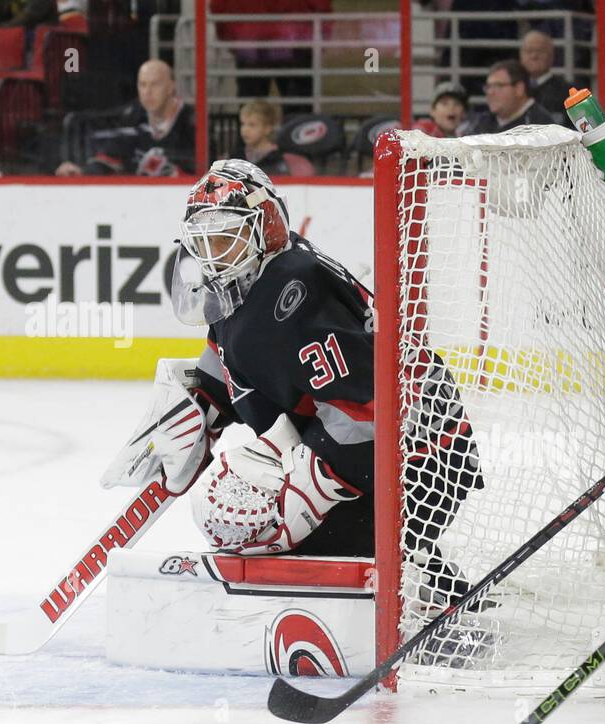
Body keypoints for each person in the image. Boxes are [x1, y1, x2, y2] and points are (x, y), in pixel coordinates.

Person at [103, 160, 482, 601]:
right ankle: (415, 568)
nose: (214, 256)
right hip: (397, 449)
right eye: (204, 243)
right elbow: (233, 359)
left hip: (424, 463)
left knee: (235, 512)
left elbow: (367, 410)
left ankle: (413, 582)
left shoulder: (292, 289)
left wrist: (311, 488)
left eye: (225, 238)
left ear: (265, 226)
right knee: (244, 504)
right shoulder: (252, 281)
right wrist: (196, 406)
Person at [55, 60, 195, 177]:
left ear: (171, 87)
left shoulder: (192, 121)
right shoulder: (131, 117)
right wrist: (81, 171)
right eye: (143, 84)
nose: (148, 92)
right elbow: (109, 158)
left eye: (155, 84)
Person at [462, 59, 559, 135]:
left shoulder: (540, 125)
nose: (490, 92)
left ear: (519, 89)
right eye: (488, 87)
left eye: (498, 86)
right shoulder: (482, 123)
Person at [518, 29, 572, 116]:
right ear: (521, 55)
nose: (534, 56)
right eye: (529, 51)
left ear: (551, 55)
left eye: (540, 51)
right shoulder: (512, 91)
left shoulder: (569, 93)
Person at [237, 99, 287, 175]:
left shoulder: (277, 158)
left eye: (252, 125)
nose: (245, 129)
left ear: (268, 128)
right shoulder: (237, 155)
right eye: (243, 124)